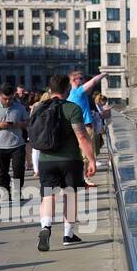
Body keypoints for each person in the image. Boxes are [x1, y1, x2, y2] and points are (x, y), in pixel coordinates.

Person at [29, 74, 96, 250]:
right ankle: (68, 234)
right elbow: (82, 136)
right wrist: (91, 160)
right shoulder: (72, 108)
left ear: (50, 90)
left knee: (48, 195)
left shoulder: (37, 108)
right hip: (70, 160)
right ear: (67, 89)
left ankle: (46, 226)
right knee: (70, 195)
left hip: (46, 159)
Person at [0, 81, 29, 201]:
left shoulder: (19, 107)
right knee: (2, 173)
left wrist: (17, 124)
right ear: (0, 96)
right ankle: (5, 193)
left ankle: (17, 192)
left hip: (17, 144)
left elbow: (27, 122)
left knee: (19, 170)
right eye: (5, 99)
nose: (8, 101)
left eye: (10, 99)